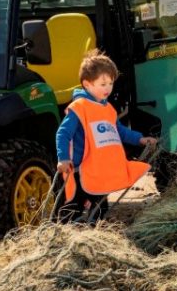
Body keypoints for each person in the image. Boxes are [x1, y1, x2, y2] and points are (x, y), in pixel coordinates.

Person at [54, 50, 157, 223]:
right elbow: (63, 133)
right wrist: (63, 157)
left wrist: (139, 139)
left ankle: (96, 232)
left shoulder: (107, 108)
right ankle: (68, 232)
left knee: (100, 204)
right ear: (87, 84)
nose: (108, 88)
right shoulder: (79, 107)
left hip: (99, 169)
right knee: (74, 206)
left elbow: (120, 131)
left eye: (110, 83)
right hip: (81, 168)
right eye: (103, 84)